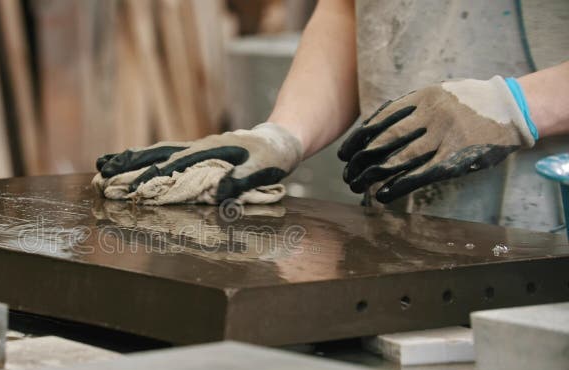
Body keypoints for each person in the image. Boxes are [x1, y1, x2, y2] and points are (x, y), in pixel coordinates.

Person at [94, 0, 569, 231]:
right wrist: (283, 135)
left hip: (546, 224)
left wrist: (518, 106)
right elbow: (352, 12)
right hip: (409, 226)